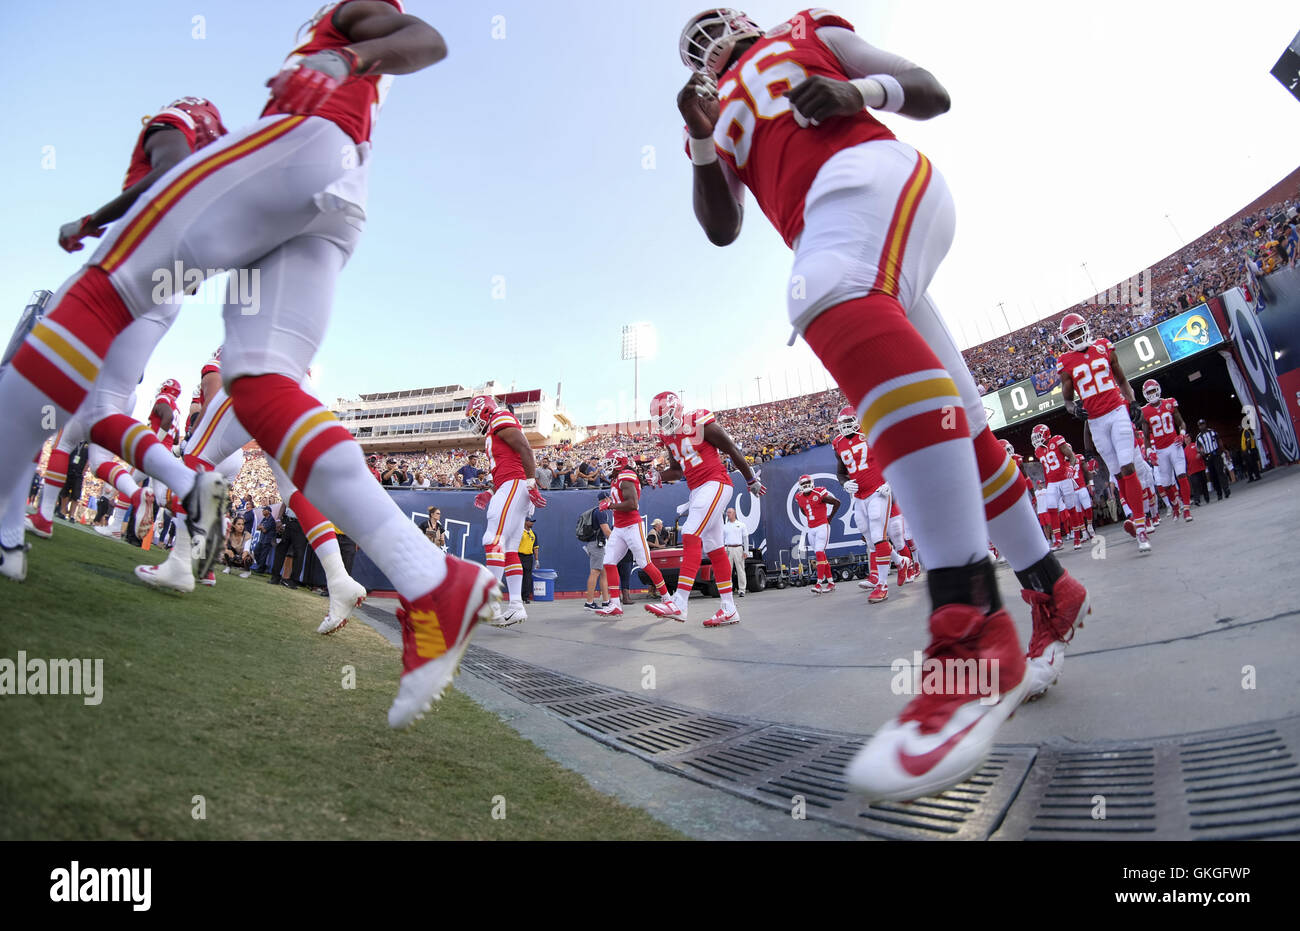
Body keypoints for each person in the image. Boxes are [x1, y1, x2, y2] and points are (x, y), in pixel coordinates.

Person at [0, 1, 497, 730]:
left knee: (103, 287)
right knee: (260, 384)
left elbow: (428, 40)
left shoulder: (351, 21)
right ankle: (431, 578)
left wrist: (344, 59)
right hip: (336, 191)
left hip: (309, 143)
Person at [676, 7, 1086, 799]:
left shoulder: (805, 32)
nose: (712, 44)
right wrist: (699, 142)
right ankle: (1050, 584)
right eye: (698, 44)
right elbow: (721, 228)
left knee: (825, 289)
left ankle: (971, 629)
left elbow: (930, 91)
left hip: (870, 180)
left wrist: (854, 90)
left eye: (714, 29)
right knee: (961, 428)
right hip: (839, 221)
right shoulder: (718, 113)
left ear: (742, 21)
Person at [644, 390, 765, 627]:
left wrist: (750, 479)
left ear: (677, 410)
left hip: (716, 482)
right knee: (714, 547)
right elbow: (677, 470)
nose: (663, 424)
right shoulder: (668, 437)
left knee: (689, 532)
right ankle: (729, 608)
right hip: (698, 489)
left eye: (666, 417)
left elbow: (731, 449)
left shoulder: (698, 422)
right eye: (659, 420)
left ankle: (679, 602)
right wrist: (659, 475)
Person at [466, 395, 548, 627]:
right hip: (510, 485)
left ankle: (491, 604)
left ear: (484, 411)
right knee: (510, 548)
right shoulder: (494, 429)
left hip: (515, 485)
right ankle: (515, 606)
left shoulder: (499, 418)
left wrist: (531, 482)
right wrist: (491, 492)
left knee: (492, 538)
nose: (474, 423)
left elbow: (524, 448)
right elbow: (506, 464)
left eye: (474, 417)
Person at [592, 450, 673, 617]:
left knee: (645, 563)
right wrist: (611, 503)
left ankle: (668, 600)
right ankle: (615, 604)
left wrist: (610, 506)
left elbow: (632, 504)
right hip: (620, 527)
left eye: (611, 462)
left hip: (631, 526)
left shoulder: (626, 475)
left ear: (619, 462)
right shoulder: (617, 478)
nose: (608, 465)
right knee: (609, 562)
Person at [1139, 378, 1193, 522]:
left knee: (1181, 475)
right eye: (1148, 392)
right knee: (1167, 483)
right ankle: (1175, 505)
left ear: (1158, 389)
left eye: (1153, 391)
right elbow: (1145, 435)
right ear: (1145, 394)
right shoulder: (1144, 411)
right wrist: (1150, 453)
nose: (1151, 394)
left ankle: (1186, 509)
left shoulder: (1169, 403)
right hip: (1161, 450)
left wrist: (1182, 435)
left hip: (1174, 446)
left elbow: (1181, 422)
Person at [794, 474, 841, 593]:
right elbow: (803, 509)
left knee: (819, 553)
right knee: (821, 556)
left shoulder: (819, 493)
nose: (805, 485)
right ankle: (831, 582)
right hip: (811, 529)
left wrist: (829, 518)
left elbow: (837, 502)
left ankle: (819, 583)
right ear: (800, 486)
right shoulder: (799, 497)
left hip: (822, 527)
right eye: (803, 484)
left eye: (807, 483)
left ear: (812, 483)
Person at [583, 493, 613, 610]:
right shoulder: (601, 512)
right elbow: (606, 531)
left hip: (596, 544)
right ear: (605, 499)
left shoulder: (597, 511)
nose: (611, 500)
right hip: (597, 545)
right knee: (595, 572)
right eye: (609, 498)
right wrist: (616, 543)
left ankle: (606, 601)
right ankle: (589, 603)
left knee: (603, 573)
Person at [1195, 419, 1230, 501]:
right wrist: (1201, 452)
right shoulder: (1198, 437)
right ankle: (1219, 493)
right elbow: (1199, 448)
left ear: (1205, 424)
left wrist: (1224, 450)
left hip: (1216, 454)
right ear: (1199, 427)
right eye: (1200, 425)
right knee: (1213, 475)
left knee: (1220, 472)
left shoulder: (1212, 432)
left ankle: (1226, 489)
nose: (1202, 426)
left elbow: (1219, 441)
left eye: (1203, 424)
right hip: (1208, 457)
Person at [722, 507, 748, 597]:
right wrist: (723, 551)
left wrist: (746, 551)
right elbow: (722, 539)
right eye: (727, 512)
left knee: (740, 569)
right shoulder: (725, 526)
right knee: (727, 570)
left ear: (734, 513)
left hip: (738, 548)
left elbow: (745, 538)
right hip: (728, 548)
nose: (728, 514)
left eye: (729, 512)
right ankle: (729, 589)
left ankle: (742, 590)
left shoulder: (741, 525)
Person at [518, 516, 538, 603]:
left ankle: (525, 597)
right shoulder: (519, 532)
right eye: (530, 521)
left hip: (529, 557)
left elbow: (536, 548)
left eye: (533, 521)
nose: (532, 523)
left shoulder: (534, 534)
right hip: (519, 556)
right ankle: (516, 597)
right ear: (525, 522)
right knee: (517, 577)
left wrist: (536, 560)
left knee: (527, 578)